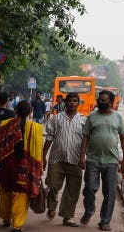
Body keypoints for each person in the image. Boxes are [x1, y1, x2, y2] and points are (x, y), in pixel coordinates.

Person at [0, 100, 42, 232]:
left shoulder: (5, 124)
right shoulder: (36, 128)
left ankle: (6, 218)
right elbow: (38, 152)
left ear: (15, 111)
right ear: (30, 112)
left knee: (5, 191)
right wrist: (39, 167)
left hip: (6, 165)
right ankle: (17, 224)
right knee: (21, 194)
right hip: (24, 168)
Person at [79, 89, 124, 231]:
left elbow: (123, 140)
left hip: (111, 161)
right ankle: (89, 211)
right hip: (92, 160)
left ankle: (105, 221)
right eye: (99, 100)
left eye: (104, 100)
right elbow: (85, 137)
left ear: (111, 102)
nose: (100, 102)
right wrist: (82, 156)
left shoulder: (118, 118)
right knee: (89, 188)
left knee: (110, 193)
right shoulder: (92, 116)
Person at [43, 92, 86, 227]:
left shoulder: (84, 120)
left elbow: (86, 140)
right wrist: (43, 156)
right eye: (70, 101)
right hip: (56, 159)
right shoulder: (55, 118)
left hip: (75, 161)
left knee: (72, 190)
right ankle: (51, 206)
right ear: (65, 102)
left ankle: (67, 217)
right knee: (52, 186)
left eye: (75, 101)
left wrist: (84, 158)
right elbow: (49, 137)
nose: (72, 103)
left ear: (78, 103)